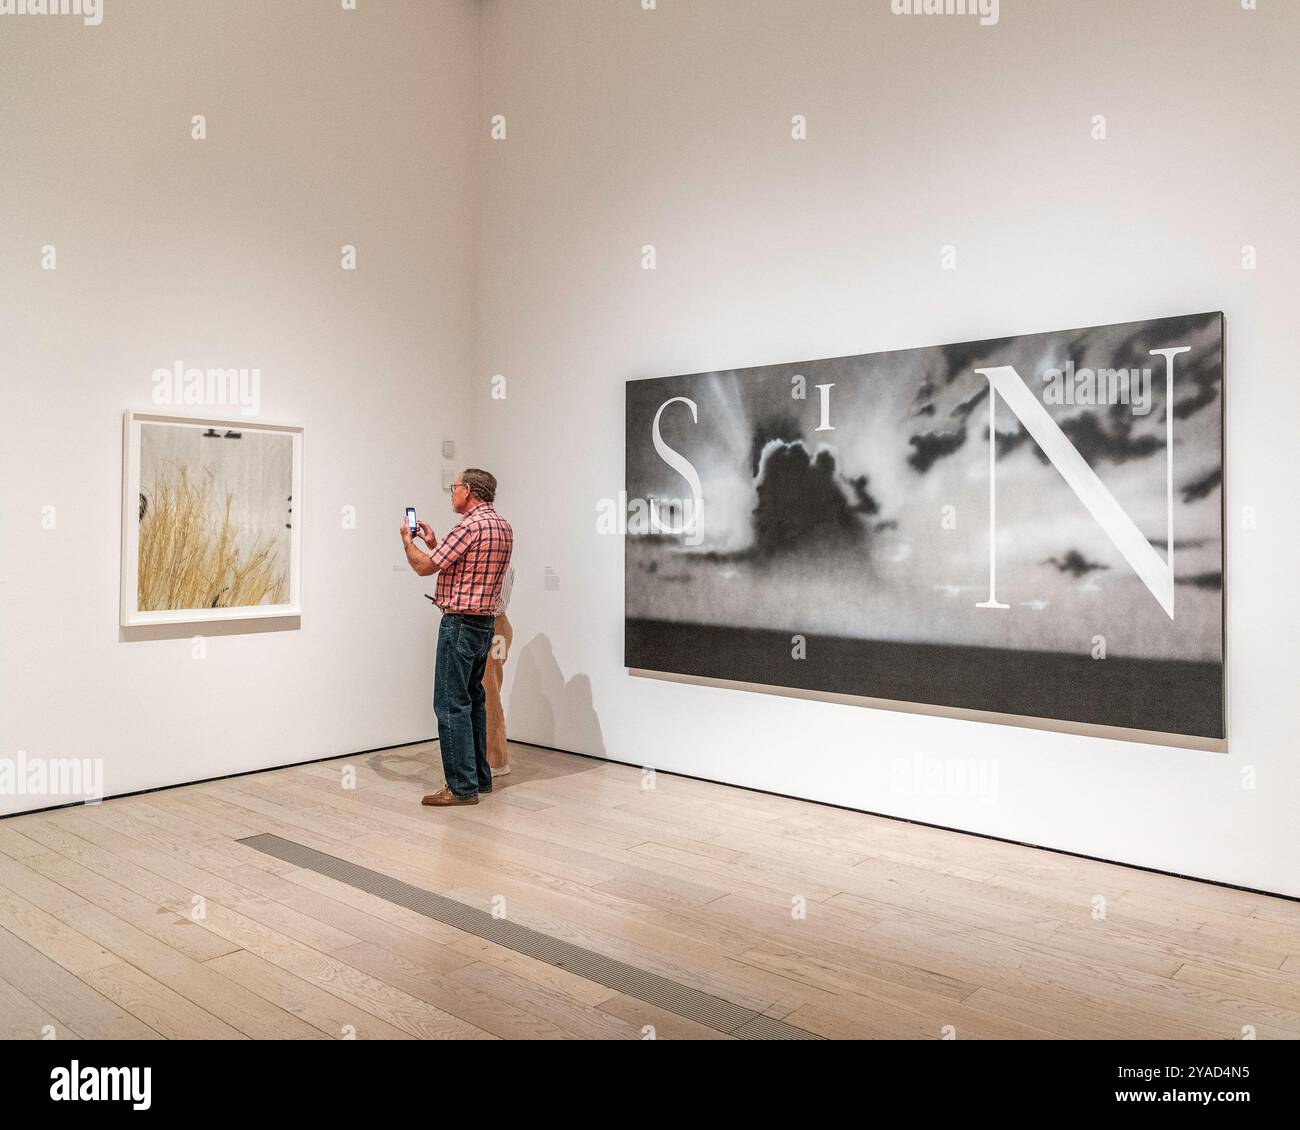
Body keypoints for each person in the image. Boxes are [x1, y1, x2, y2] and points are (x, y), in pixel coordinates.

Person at [400, 469, 513, 807]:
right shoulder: (502, 526)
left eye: (455, 486)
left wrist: (409, 541)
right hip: (484, 625)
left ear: (469, 490)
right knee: (474, 701)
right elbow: (465, 565)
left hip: (459, 624)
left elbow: (424, 567)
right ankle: (479, 778)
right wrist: (435, 543)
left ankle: (461, 787)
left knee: (450, 703)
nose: (452, 492)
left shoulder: (469, 526)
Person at [484, 564, 515, 776]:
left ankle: (496, 761)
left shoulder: (502, 563)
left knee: (489, 693)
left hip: (495, 628)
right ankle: (486, 757)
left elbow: (497, 605)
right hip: (484, 627)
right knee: (483, 693)